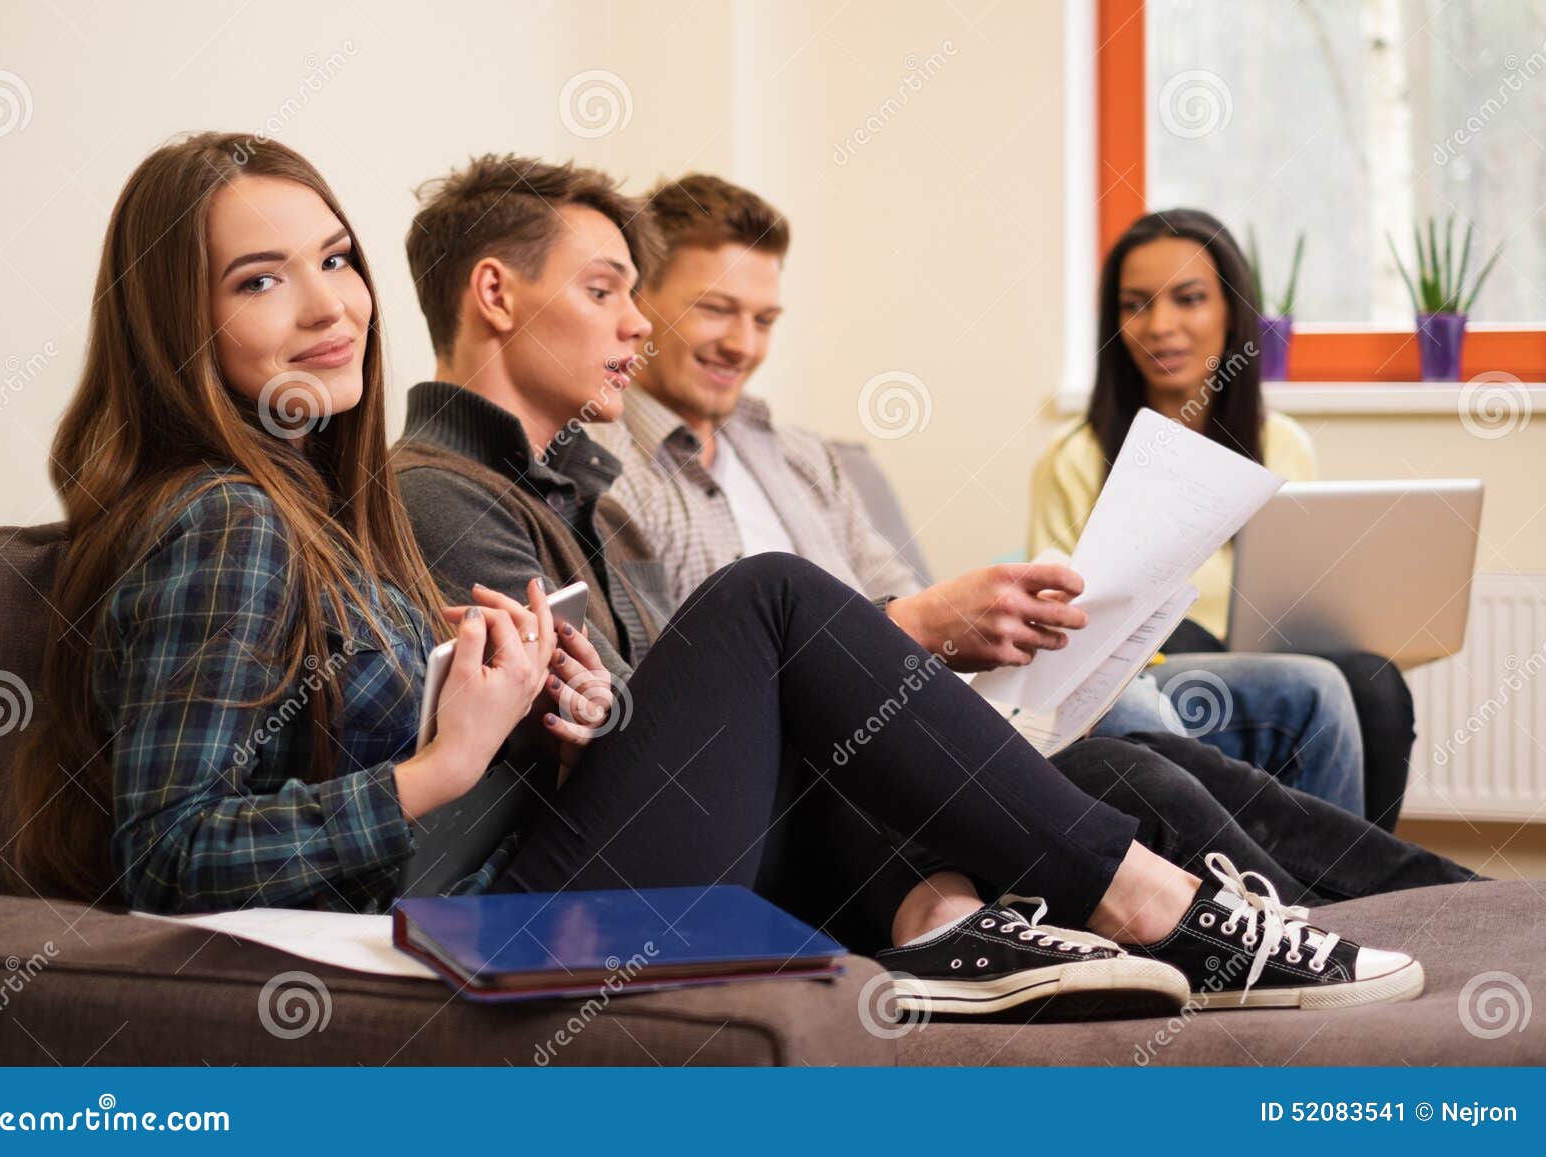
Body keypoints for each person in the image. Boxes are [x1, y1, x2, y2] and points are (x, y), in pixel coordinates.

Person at [391, 152, 1461, 1012]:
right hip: (540, 902)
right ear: (496, 292)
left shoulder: (554, 484)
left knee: (1130, 768)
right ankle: (1137, 906)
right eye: (605, 291)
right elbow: (599, 741)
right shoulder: (444, 491)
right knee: (775, 594)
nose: (637, 324)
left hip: (667, 834)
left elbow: (616, 710)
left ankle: (1420, 918)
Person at [592, 173, 1362, 814]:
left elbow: (898, 591)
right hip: (826, 752)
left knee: (1317, 691)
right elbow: (683, 678)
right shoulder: (615, 470)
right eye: (716, 310)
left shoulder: (800, 457)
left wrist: (975, 626)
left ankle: (1335, 910)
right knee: (1126, 714)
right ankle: (1307, 911)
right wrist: (922, 628)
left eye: (764, 318)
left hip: (926, 697)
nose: (744, 344)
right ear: (639, 305)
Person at [1029, 208, 1416, 830]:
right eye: (1136, 304)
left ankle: (1358, 884)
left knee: (1372, 679)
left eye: (1188, 299)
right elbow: (1064, 635)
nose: (1160, 326)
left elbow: (1304, 599)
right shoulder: (1074, 460)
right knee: (1176, 630)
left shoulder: (1281, 444)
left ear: (1232, 310)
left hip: (1273, 663)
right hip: (1158, 678)